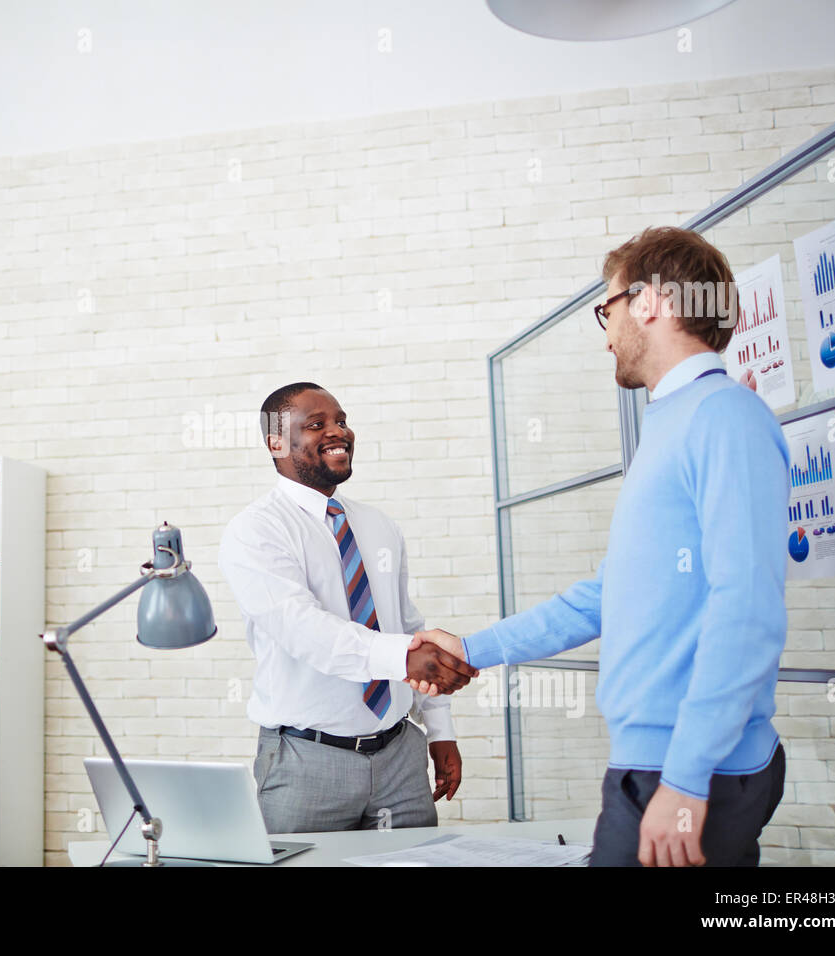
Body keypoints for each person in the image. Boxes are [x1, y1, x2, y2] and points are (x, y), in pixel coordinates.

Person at [411, 227, 790, 866]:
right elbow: (607, 595)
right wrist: (473, 649)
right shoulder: (672, 421)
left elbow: (747, 612)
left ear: (652, 303)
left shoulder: (725, 417)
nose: (606, 331)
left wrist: (688, 780)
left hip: (698, 772)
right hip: (654, 765)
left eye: (606, 309)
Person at [219, 382, 478, 833]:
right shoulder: (255, 531)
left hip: (400, 756)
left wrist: (440, 731)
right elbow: (303, 629)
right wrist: (403, 656)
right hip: (306, 762)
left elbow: (406, 625)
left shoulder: (378, 525)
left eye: (341, 420)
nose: (337, 432)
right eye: (316, 425)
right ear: (275, 443)